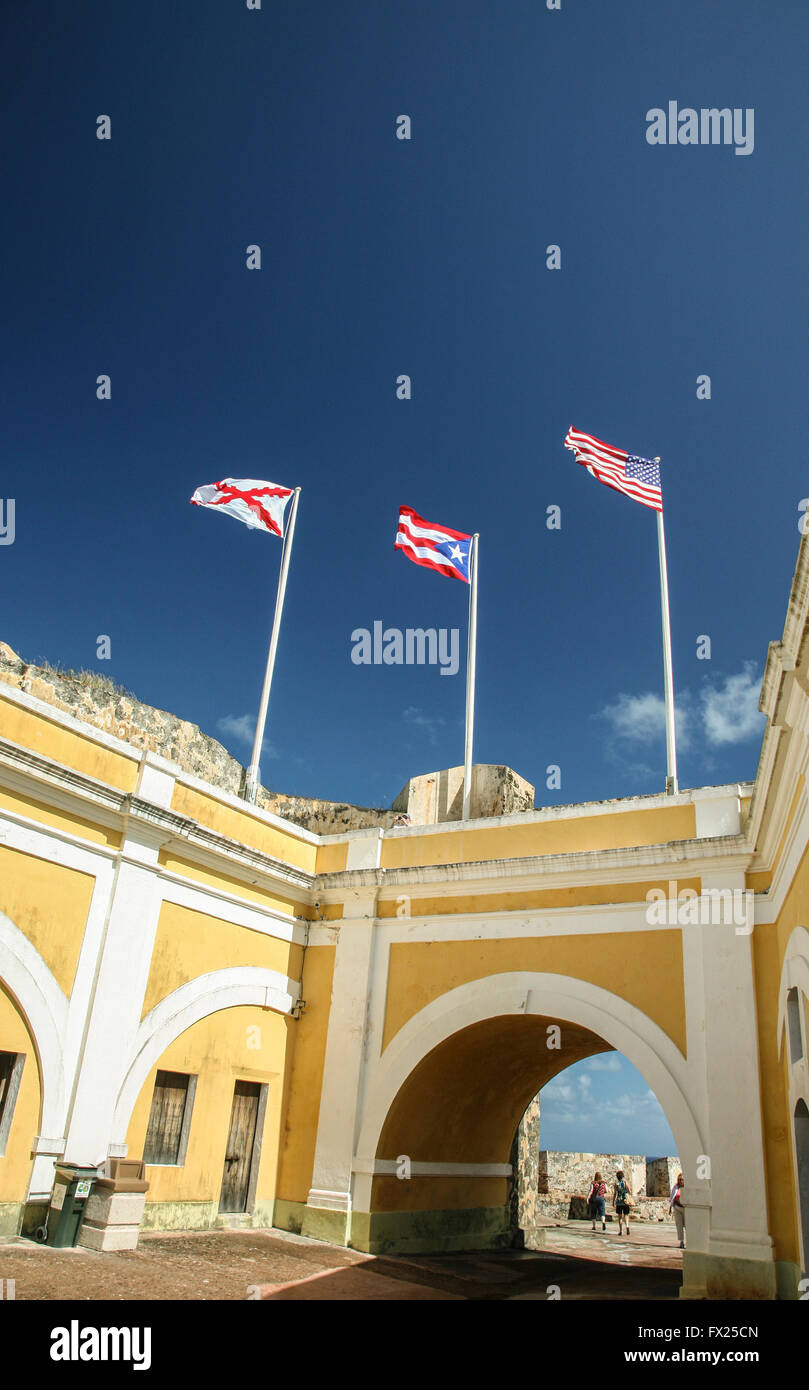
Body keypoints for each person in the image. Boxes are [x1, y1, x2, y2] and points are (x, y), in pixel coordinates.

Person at [613, 1169, 632, 1235]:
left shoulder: (616, 1184)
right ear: (622, 1176)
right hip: (625, 1201)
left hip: (619, 1201)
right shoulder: (625, 1182)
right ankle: (627, 1226)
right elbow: (629, 1191)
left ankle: (621, 1230)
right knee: (626, 1215)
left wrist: (613, 1202)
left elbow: (615, 1193)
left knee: (620, 1216)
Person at [670, 1172, 685, 1248]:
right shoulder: (676, 1187)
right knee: (679, 1225)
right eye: (679, 1179)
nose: (681, 1181)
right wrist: (670, 1207)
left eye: (682, 1179)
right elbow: (672, 1197)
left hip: (686, 1208)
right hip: (677, 1207)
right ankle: (681, 1241)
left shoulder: (687, 1187)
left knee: (688, 1225)